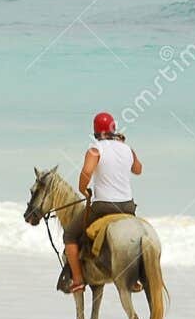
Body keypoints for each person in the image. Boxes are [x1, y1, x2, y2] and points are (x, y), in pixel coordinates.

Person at [61, 112, 142, 293]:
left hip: (103, 206)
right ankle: (135, 279)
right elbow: (138, 170)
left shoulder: (95, 149)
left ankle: (78, 280)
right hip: (127, 206)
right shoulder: (127, 148)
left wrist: (83, 189)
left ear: (96, 131)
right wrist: (126, 150)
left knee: (70, 236)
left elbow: (87, 172)